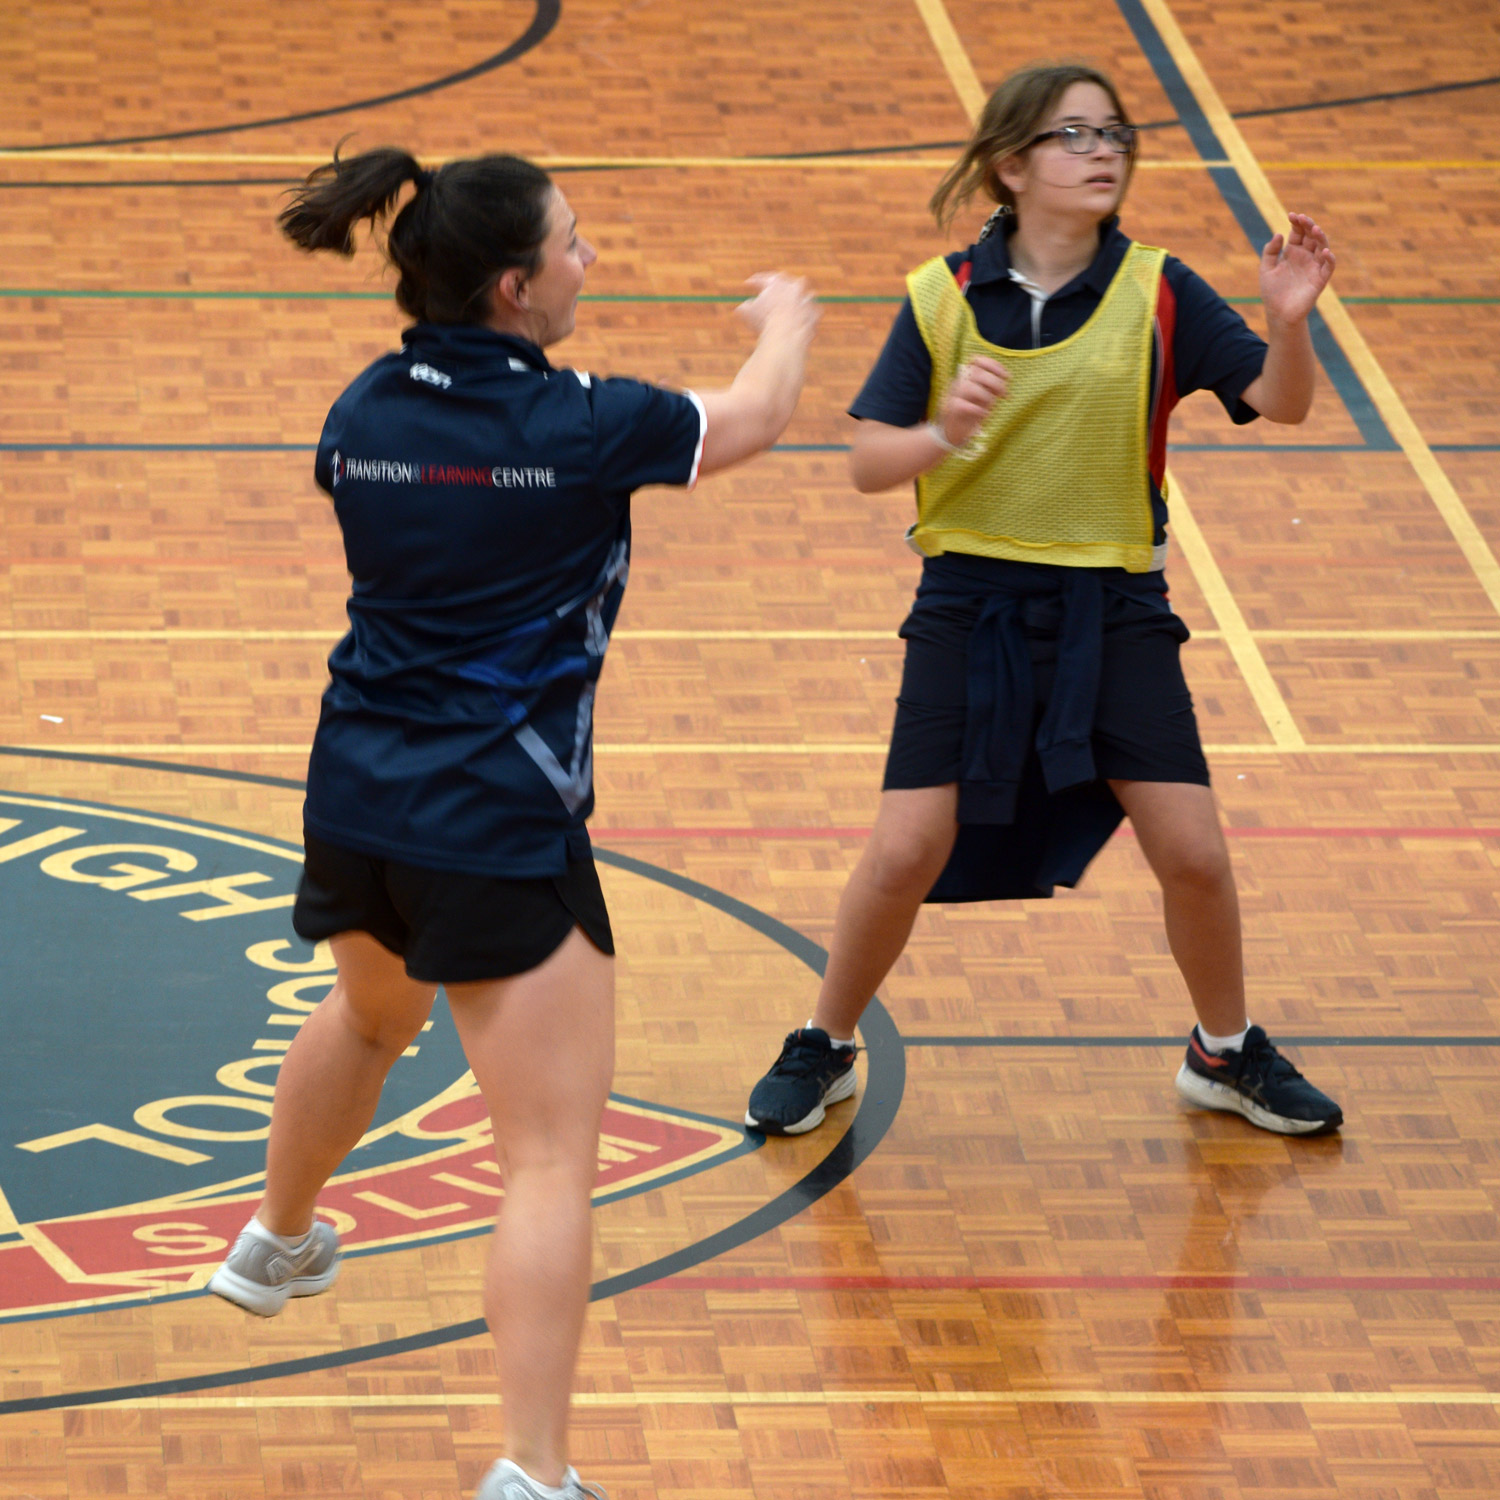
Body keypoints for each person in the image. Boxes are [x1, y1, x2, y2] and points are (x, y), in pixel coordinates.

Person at [205, 146, 818, 1500]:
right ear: (511, 285)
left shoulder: (360, 408)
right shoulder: (589, 424)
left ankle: (274, 1238)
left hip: (354, 796)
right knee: (547, 1154)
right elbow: (760, 420)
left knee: (372, 1017)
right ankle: (533, 1472)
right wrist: (787, 322)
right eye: (575, 247)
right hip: (496, 817)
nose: (588, 263)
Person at [744, 62, 1344, 1141]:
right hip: (967, 601)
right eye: (1075, 136)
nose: (1104, 150)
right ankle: (825, 1042)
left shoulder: (1162, 289)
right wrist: (945, 435)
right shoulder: (941, 295)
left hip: (1114, 604)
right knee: (903, 850)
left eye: (1114, 132)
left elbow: (1283, 403)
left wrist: (1289, 321)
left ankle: (1224, 1050)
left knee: (1196, 854)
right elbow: (870, 460)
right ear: (1011, 166)